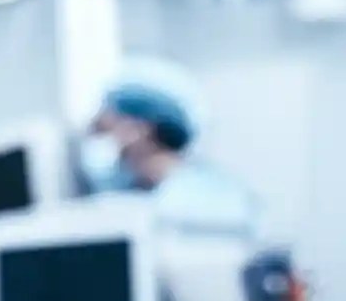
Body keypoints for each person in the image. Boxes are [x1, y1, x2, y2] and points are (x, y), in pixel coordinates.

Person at [77, 57, 260, 236]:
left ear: (139, 129)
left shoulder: (211, 202)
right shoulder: (125, 194)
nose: (101, 139)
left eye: (105, 128)